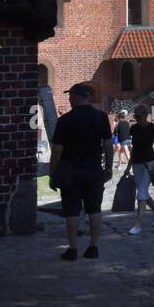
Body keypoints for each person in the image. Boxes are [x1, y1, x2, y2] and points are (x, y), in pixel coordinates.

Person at [49, 83, 114, 260]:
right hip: (93, 169)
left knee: (71, 211)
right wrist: (108, 167)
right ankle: (94, 247)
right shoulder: (101, 117)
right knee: (94, 209)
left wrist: (53, 172)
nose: (69, 99)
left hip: (70, 171)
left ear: (75, 97)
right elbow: (108, 146)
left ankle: (72, 249)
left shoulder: (65, 120)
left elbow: (57, 150)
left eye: (70, 96)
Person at [127, 104, 154, 235]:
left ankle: (138, 225)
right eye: (135, 116)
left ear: (145, 115)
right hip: (136, 163)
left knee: (141, 193)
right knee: (143, 192)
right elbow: (133, 148)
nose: (136, 118)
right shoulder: (133, 128)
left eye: (139, 116)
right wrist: (128, 167)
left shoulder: (152, 128)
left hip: (149, 163)